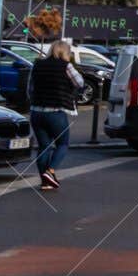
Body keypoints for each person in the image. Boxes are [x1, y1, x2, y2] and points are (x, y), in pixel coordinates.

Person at [28, 40, 83, 191]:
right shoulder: (66, 66)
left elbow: (30, 88)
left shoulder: (37, 65)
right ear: (65, 52)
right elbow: (80, 82)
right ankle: (50, 171)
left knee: (44, 146)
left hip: (36, 112)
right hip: (55, 112)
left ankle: (45, 182)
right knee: (63, 144)